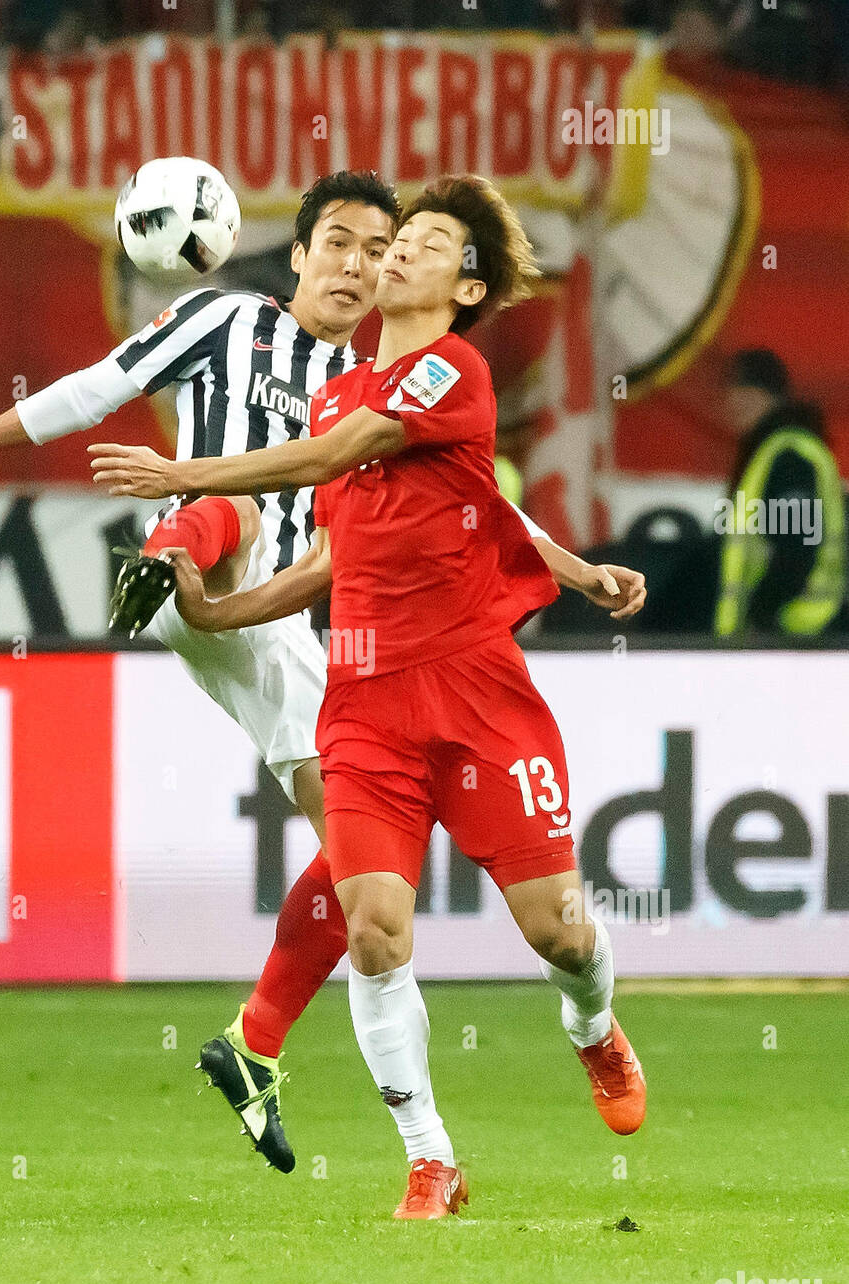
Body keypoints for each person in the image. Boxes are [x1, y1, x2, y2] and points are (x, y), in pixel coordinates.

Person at [0, 169, 641, 1177]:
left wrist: (575, 567)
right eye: (340, 241)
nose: (363, 261)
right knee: (371, 902)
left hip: (301, 629)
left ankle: (259, 1038)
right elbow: (95, 390)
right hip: (249, 590)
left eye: (385, 247)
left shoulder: (402, 383)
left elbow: (448, 508)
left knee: (410, 888)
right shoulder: (228, 319)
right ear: (293, 253)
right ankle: (422, 1157)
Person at [89, 174, 649, 1219]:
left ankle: (593, 1029)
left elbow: (345, 454)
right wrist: (219, 613)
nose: (393, 255)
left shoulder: (454, 372)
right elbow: (340, 551)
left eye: (424, 245)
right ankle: (429, 1158)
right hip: (364, 701)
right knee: (375, 929)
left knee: (561, 934)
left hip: (476, 693)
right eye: (395, 242)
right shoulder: (339, 386)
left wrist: (189, 478)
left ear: (465, 286)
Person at [715, 348, 845, 639]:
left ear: (760, 397)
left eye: (740, 390)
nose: (730, 402)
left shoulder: (788, 456)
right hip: (799, 634)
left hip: (796, 635)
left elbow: (795, 550)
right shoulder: (781, 451)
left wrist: (760, 618)